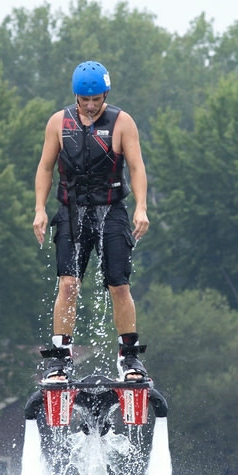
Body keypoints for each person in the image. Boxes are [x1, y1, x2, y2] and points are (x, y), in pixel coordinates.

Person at [33, 60, 149, 382]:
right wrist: (40, 209)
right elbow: (45, 167)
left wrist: (141, 207)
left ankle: (129, 357)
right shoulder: (59, 122)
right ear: (76, 96)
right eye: (85, 100)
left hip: (111, 211)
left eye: (96, 99)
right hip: (71, 212)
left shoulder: (122, 123)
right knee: (67, 285)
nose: (90, 105)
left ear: (105, 94)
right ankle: (60, 358)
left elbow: (137, 168)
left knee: (119, 285)